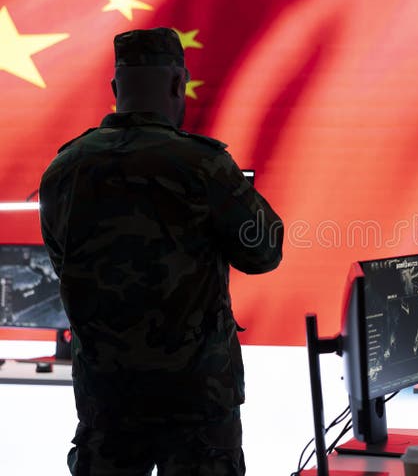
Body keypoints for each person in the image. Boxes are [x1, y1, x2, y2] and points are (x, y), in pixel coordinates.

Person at [39, 28, 284, 475]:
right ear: (177, 83)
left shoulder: (64, 169)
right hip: (196, 400)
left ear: (115, 88)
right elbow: (264, 253)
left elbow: (63, 264)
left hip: (107, 397)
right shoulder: (203, 164)